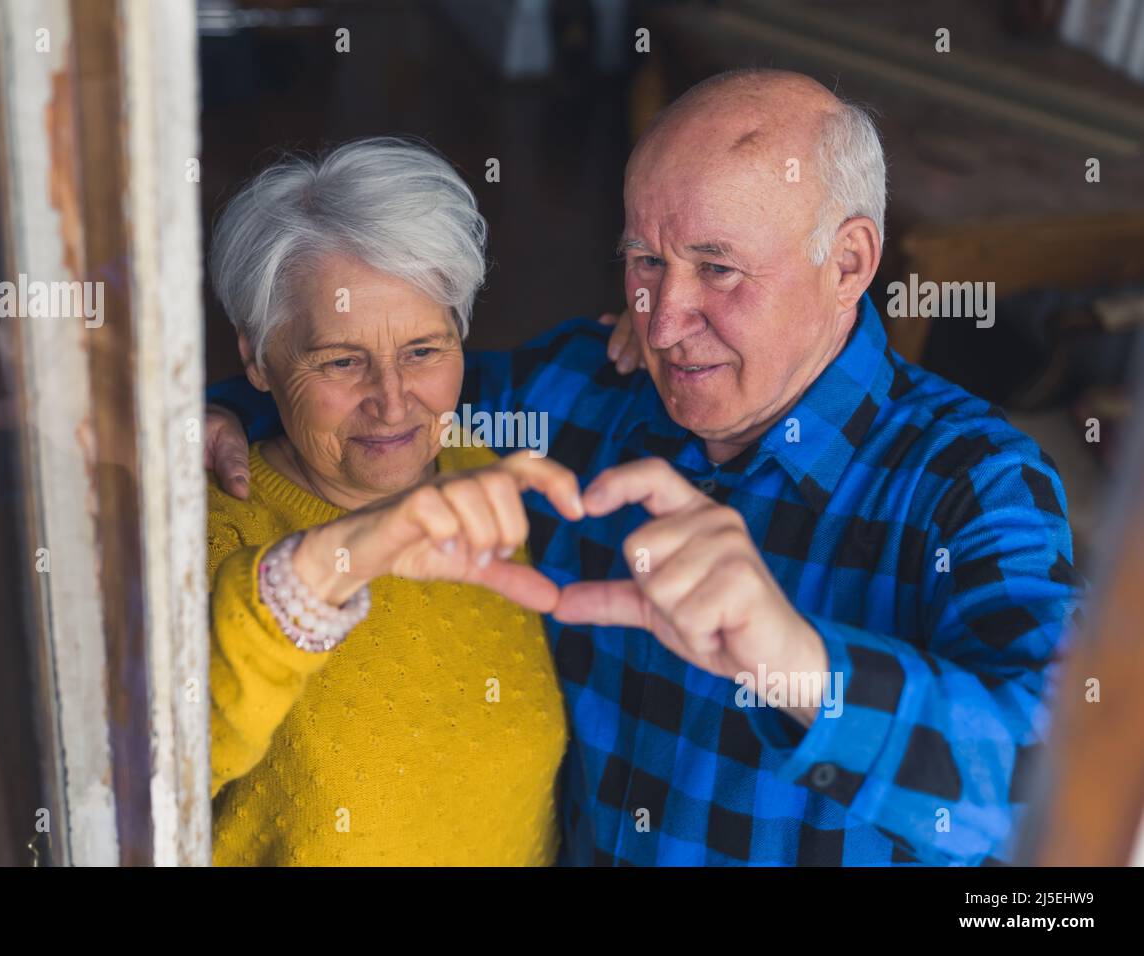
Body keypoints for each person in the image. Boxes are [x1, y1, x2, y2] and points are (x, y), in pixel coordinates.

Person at [205, 70, 1081, 865]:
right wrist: (195, 421)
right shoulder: (585, 394)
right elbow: (379, 405)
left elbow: (1066, 793)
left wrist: (800, 664)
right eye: (645, 262)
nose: (662, 324)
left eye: (717, 268)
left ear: (847, 262)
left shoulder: (972, 482)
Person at [204, 137, 588, 865]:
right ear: (255, 356)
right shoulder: (205, 521)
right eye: (342, 360)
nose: (392, 403)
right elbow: (149, 764)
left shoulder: (490, 472)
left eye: (424, 351)